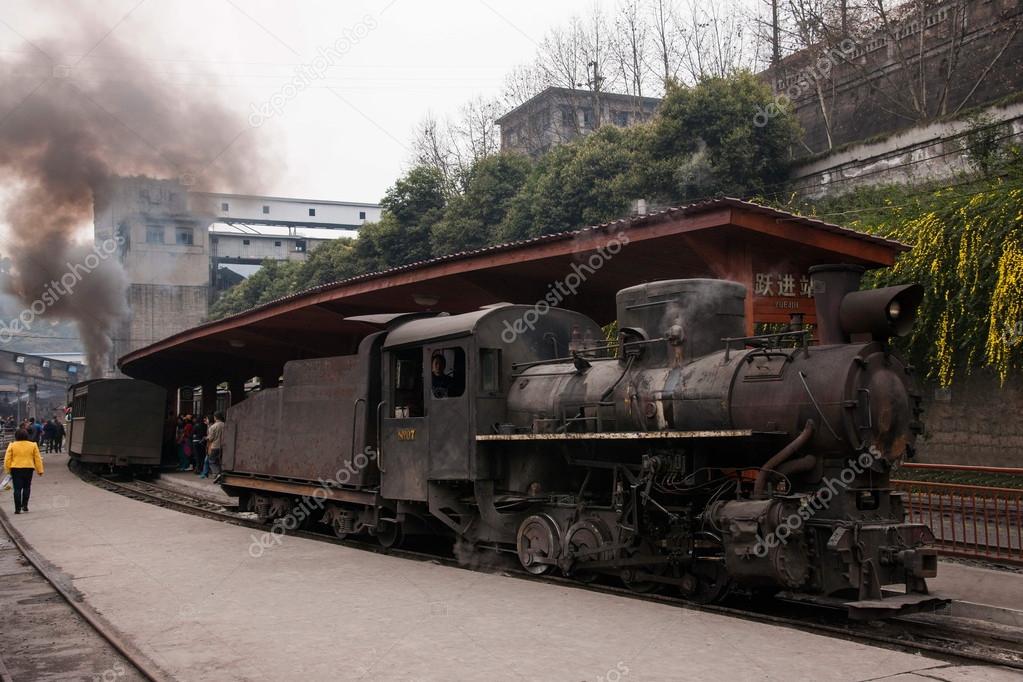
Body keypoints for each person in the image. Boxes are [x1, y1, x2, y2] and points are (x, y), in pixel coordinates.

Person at [4, 428, 44, 514]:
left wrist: (7, 469)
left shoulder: (12, 445)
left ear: (16, 436)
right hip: (28, 468)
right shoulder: (33, 445)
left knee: (17, 489)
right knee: (27, 487)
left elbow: (7, 459)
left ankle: (17, 508)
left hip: (15, 469)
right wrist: (39, 470)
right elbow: (37, 459)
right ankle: (25, 506)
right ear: (27, 436)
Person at [202, 412, 225, 479]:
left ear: (215, 417)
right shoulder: (225, 424)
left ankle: (217, 474)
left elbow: (211, 438)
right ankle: (220, 473)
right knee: (219, 461)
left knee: (211, 460)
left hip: (215, 446)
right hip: (224, 446)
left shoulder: (213, 426)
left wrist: (206, 438)